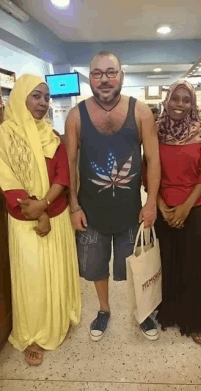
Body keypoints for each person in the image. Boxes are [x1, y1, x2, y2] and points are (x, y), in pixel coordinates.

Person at [65, 51, 161, 342]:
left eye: (111, 72)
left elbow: (153, 161)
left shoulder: (140, 111)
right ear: (89, 78)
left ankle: (143, 312)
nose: (104, 79)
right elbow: (69, 163)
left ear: (122, 76)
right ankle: (104, 309)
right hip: (91, 213)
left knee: (137, 267)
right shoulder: (75, 115)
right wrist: (73, 205)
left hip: (131, 212)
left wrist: (151, 202)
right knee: (96, 268)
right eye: (97, 73)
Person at [0, 74, 81, 365]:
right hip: (24, 218)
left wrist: (45, 205)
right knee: (32, 277)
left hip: (55, 215)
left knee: (55, 271)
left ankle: (58, 318)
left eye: (46, 97)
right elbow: (5, 176)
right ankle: (33, 334)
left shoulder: (52, 135)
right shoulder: (4, 134)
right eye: (36, 96)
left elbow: (64, 174)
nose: (43, 103)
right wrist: (37, 210)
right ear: (21, 96)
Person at [144, 80, 201, 345]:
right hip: (164, 210)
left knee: (195, 267)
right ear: (167, 100)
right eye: (175, 98)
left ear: (192, 104)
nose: (179, 104)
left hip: (194, 210)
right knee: (168, 264)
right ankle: (171, 313)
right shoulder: (155, 131)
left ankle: (196, 322)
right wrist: (162, 206)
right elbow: (149, 171)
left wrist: (185, 208)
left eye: (186, 100)